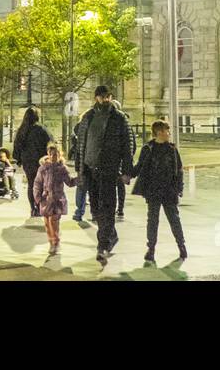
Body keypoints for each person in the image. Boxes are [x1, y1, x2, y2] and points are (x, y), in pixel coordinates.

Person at [79, 85, 134, 264]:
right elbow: (81, 145)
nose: (106, 99)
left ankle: (102, 245)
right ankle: (111, 236)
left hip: (109, 169)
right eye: (103, 96)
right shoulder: (88, 117)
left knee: (108, 207)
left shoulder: (119, 118)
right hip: (90, 168)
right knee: (95, 209)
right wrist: (81, 170)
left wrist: (127, 171)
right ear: (96, 98)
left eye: (108, 96)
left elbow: (128, 145)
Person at [132, 120, 186, 262]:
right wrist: (128, 174)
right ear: (159, 132)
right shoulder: (148, 148)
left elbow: (179, 170)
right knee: (152, 220)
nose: (169, 133)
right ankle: (151, 249)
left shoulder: (172, 149)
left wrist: (179, 188)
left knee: (174, 219)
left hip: (169, 190)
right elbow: (139, 166)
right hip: (153, 190)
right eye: (167, 131)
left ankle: (182, 246)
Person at [32, 142, 77, 255]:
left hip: (57, 199)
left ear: (59, 154)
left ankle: (55, 242)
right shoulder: (43, 168)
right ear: (48, 154)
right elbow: (37, 183)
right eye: (51, 154)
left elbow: (70, 182)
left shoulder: (62, 169)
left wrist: (79, 179)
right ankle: (51, 242)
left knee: (54, 221)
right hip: (45, 200)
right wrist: (37, 198)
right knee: (47, 223)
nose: (53, 156)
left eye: (55, 154)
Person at [12, 106, 52, 218]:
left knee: (31, 184)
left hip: (28, 162)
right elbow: (50, 144)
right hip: (40, 161)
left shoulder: (22, 129)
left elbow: (17, 146)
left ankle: (33, 208)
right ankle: (40, 206)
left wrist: (19, 159)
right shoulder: (42, 129)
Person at [115, 100, 137, 221]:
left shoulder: (123, 123)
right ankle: (120, 208)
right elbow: (132, 145)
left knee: (117, 186)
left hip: (119, 161)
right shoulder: (126, 124)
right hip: (121, 161)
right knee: (119, 186)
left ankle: (119, 208)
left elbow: (131, 144)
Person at [70, 107, 90, 222]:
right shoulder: (93, 130)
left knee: (81, 188)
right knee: (91, 188)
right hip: (91, 163)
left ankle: (79, 212)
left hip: (82, 163)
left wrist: (78, 166)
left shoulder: (78, 130)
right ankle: (93, 213)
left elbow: (77, 150)